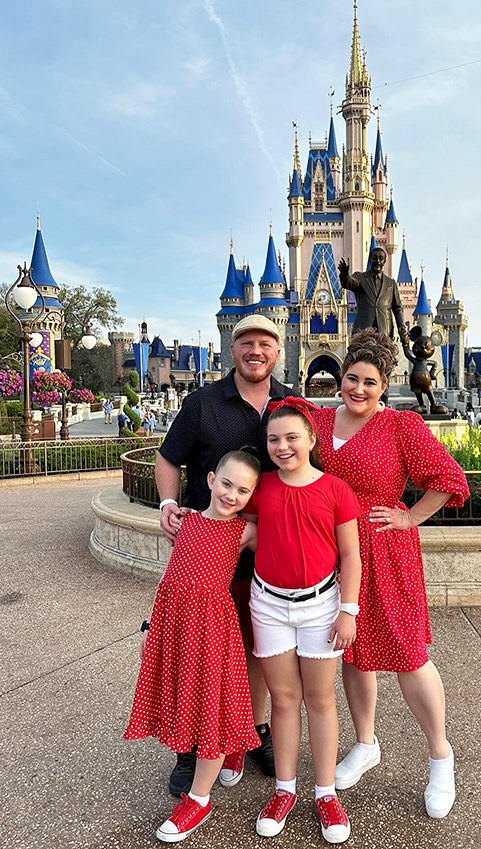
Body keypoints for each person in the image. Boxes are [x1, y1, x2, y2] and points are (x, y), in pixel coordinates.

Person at [311, 330, 470, 820]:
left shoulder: (402, 425)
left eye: (369, 382)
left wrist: (409, 516)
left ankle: (440, 756)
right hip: (334, 549)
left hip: (384, 549)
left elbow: (449, 479)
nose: (358, 389)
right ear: (341, 378)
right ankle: (365, 743)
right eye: (351, 378)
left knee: (407, 653)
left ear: (384, 386)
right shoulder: (320, 418)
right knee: (354, 650)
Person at [156, 314, 298, 796]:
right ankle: (191, 744)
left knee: (257, 647)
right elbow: (167, 457)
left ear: (278, 350)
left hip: (265, 549)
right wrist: (169, 504)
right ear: (232, 348)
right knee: (197, 650)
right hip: (209, 551)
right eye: (246, 343)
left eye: (265, 343)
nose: (256, 351)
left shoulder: (291, 404)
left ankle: (250, 731)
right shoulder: (202, 403)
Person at [124, 450, 263, 842]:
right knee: (192, 700)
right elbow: (169, 578)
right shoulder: (185, 521)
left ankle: (200, 798)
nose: (231, 495)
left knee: (213, 706)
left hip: (214, 629)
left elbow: (287, 547)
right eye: (226, 484)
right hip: (177, 626)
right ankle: (224, 753)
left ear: (251, 496)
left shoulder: (245, 530)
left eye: (242, 491)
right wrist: (152, 627)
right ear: (210, 480)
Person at [245, 398, 362, 843]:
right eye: (274, 439)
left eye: (292, 437)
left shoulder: (336, 489)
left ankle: (326, 793)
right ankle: (284, 789)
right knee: (283, 700)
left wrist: (348, 610)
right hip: (270, 605)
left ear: (312, 439)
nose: (283, 446)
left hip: (321, 607)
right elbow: (243, 531)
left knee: (321, 699)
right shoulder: (261, 487)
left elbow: (350, 555)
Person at [338, 246, 409, 343]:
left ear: (384, 261)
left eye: (381, 258)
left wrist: (402, 327)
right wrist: (344, 275)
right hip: (363, 330)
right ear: (370, 260)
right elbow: (349, 283)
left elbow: (397, 308)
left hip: (385, 330)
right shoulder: (360, 278)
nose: (378, 261)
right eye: (375, 258)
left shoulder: (391, 283)